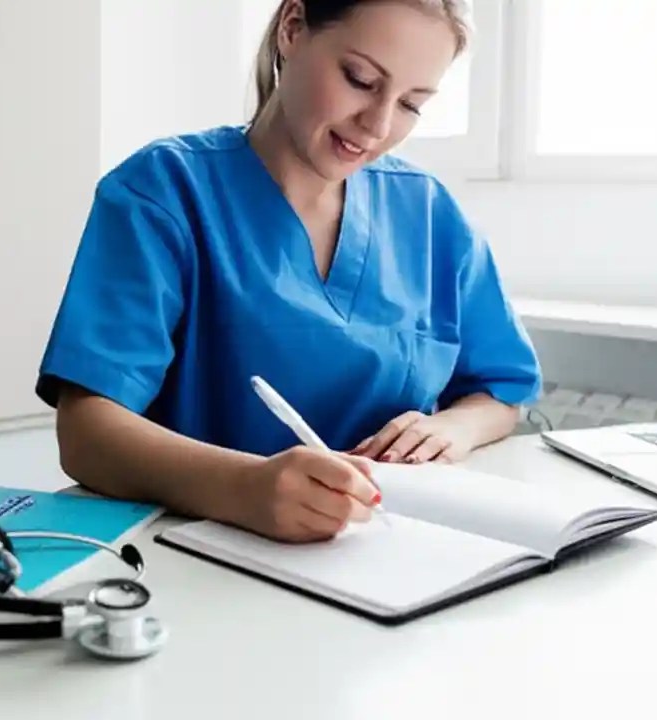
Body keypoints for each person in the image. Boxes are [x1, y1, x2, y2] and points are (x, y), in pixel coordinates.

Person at [35, 0, 542, 543]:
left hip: (387, 554)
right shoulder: (163, 193)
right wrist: (246, 488)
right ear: (293, 29)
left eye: (412, 104)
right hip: (203, 555)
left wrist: (451, 428)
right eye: (361, 79)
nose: (378, 124)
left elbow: (501, 392)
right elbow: (87, 432)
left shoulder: (429, 212)